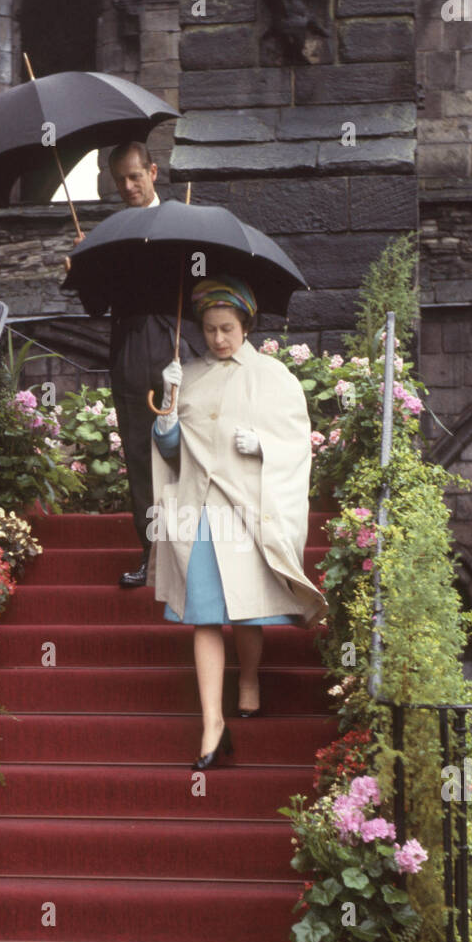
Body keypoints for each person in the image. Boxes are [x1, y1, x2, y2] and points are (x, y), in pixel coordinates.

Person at [148, 276, 327, 769]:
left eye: (227, 328)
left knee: (244, 607)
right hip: (199, 512)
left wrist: (264, 445)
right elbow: (172, 452)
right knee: (203, 614)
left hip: (246, 507)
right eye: (209, 330)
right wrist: (166, 413)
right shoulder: (191, 375)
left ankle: (248, 679)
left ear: (245, 325)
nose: (218, 339)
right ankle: (212, 722)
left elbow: (297, 443)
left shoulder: (275, 377)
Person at [77, 142, 204, 587]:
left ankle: (194, 561)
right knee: (139, 455)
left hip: (178, 350)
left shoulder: (184, 224)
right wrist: (84, 264)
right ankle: (150, 558)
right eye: (120, 180)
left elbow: (204, 290)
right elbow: (96, 305)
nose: (129, 186)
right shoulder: (111, 233)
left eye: (135, 176)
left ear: (153, 171)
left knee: (188, 454)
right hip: (130, 353)